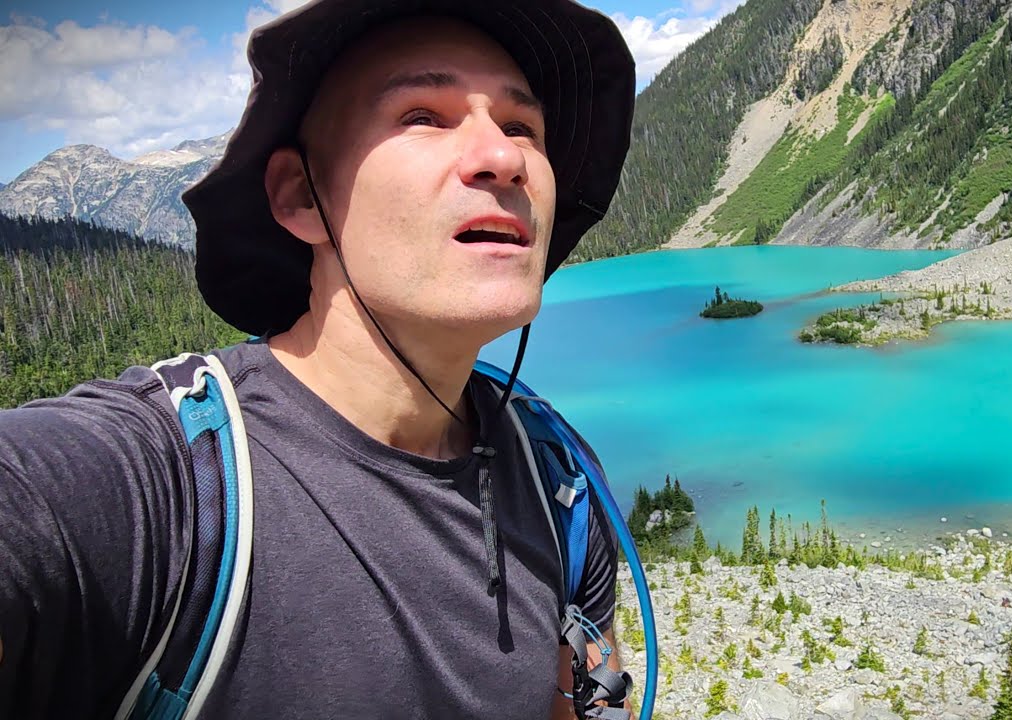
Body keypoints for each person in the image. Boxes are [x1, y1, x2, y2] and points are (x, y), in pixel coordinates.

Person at [0, 1, 637, 718]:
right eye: (423, 116)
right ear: (302, 196)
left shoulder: (560, 483)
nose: (504, 156)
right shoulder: (163, 485)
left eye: (522, 127)